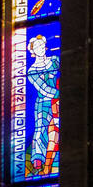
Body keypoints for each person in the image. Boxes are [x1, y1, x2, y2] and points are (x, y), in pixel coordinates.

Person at [26, 34, 59, 173]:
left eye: (41, 45)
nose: (40, 49)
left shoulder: (55, 60)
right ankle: (39, 159)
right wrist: (60, 93)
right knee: (41, 129)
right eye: (36, 47)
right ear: (32, 52)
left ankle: (57, 158)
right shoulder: (32, 71)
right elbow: (43, 89)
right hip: (44, 103)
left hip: (58, 101)